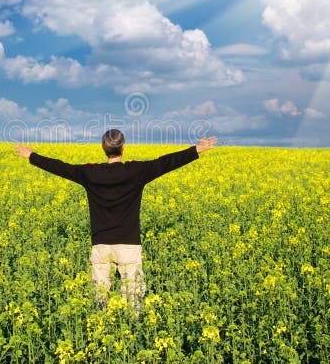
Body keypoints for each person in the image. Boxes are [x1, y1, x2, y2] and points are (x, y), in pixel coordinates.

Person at [13, 130, 218, 313]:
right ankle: (132, 334)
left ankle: (101, 329)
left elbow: (61, 167)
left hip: (101, 245)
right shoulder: (137, 171)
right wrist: (196, 150)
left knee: (100, 299)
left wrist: (32, 156)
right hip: (128, 245)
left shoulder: (90, 173)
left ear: (103, 149)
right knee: (133, 299)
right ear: (124, 147)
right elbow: (166, 162)